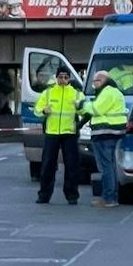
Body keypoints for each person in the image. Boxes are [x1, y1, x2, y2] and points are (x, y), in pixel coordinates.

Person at [35, 66, 84, 205]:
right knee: (47, 165)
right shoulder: (48, 93)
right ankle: (44, 195)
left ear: (69, 79)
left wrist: (79, 107)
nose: (63, 80)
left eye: (66, 77)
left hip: (69, 132)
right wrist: (44, 110)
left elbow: (84, 110)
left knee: (72, 165)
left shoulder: (76, 94)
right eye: (60, 77)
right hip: (52, 133)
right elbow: (37, 110)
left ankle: (72, 195)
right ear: (56, 78)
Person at [82, 71, 128, 207]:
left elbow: (96, 109)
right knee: (111, 166)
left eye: (95, 82)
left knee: (105, 167)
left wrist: (83, 105)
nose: (94, 85)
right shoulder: (116, 92)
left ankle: (108, 198)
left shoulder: (107, 92)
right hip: (113, 133)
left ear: (102, 80)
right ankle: (112, 197)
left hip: (104, 133)